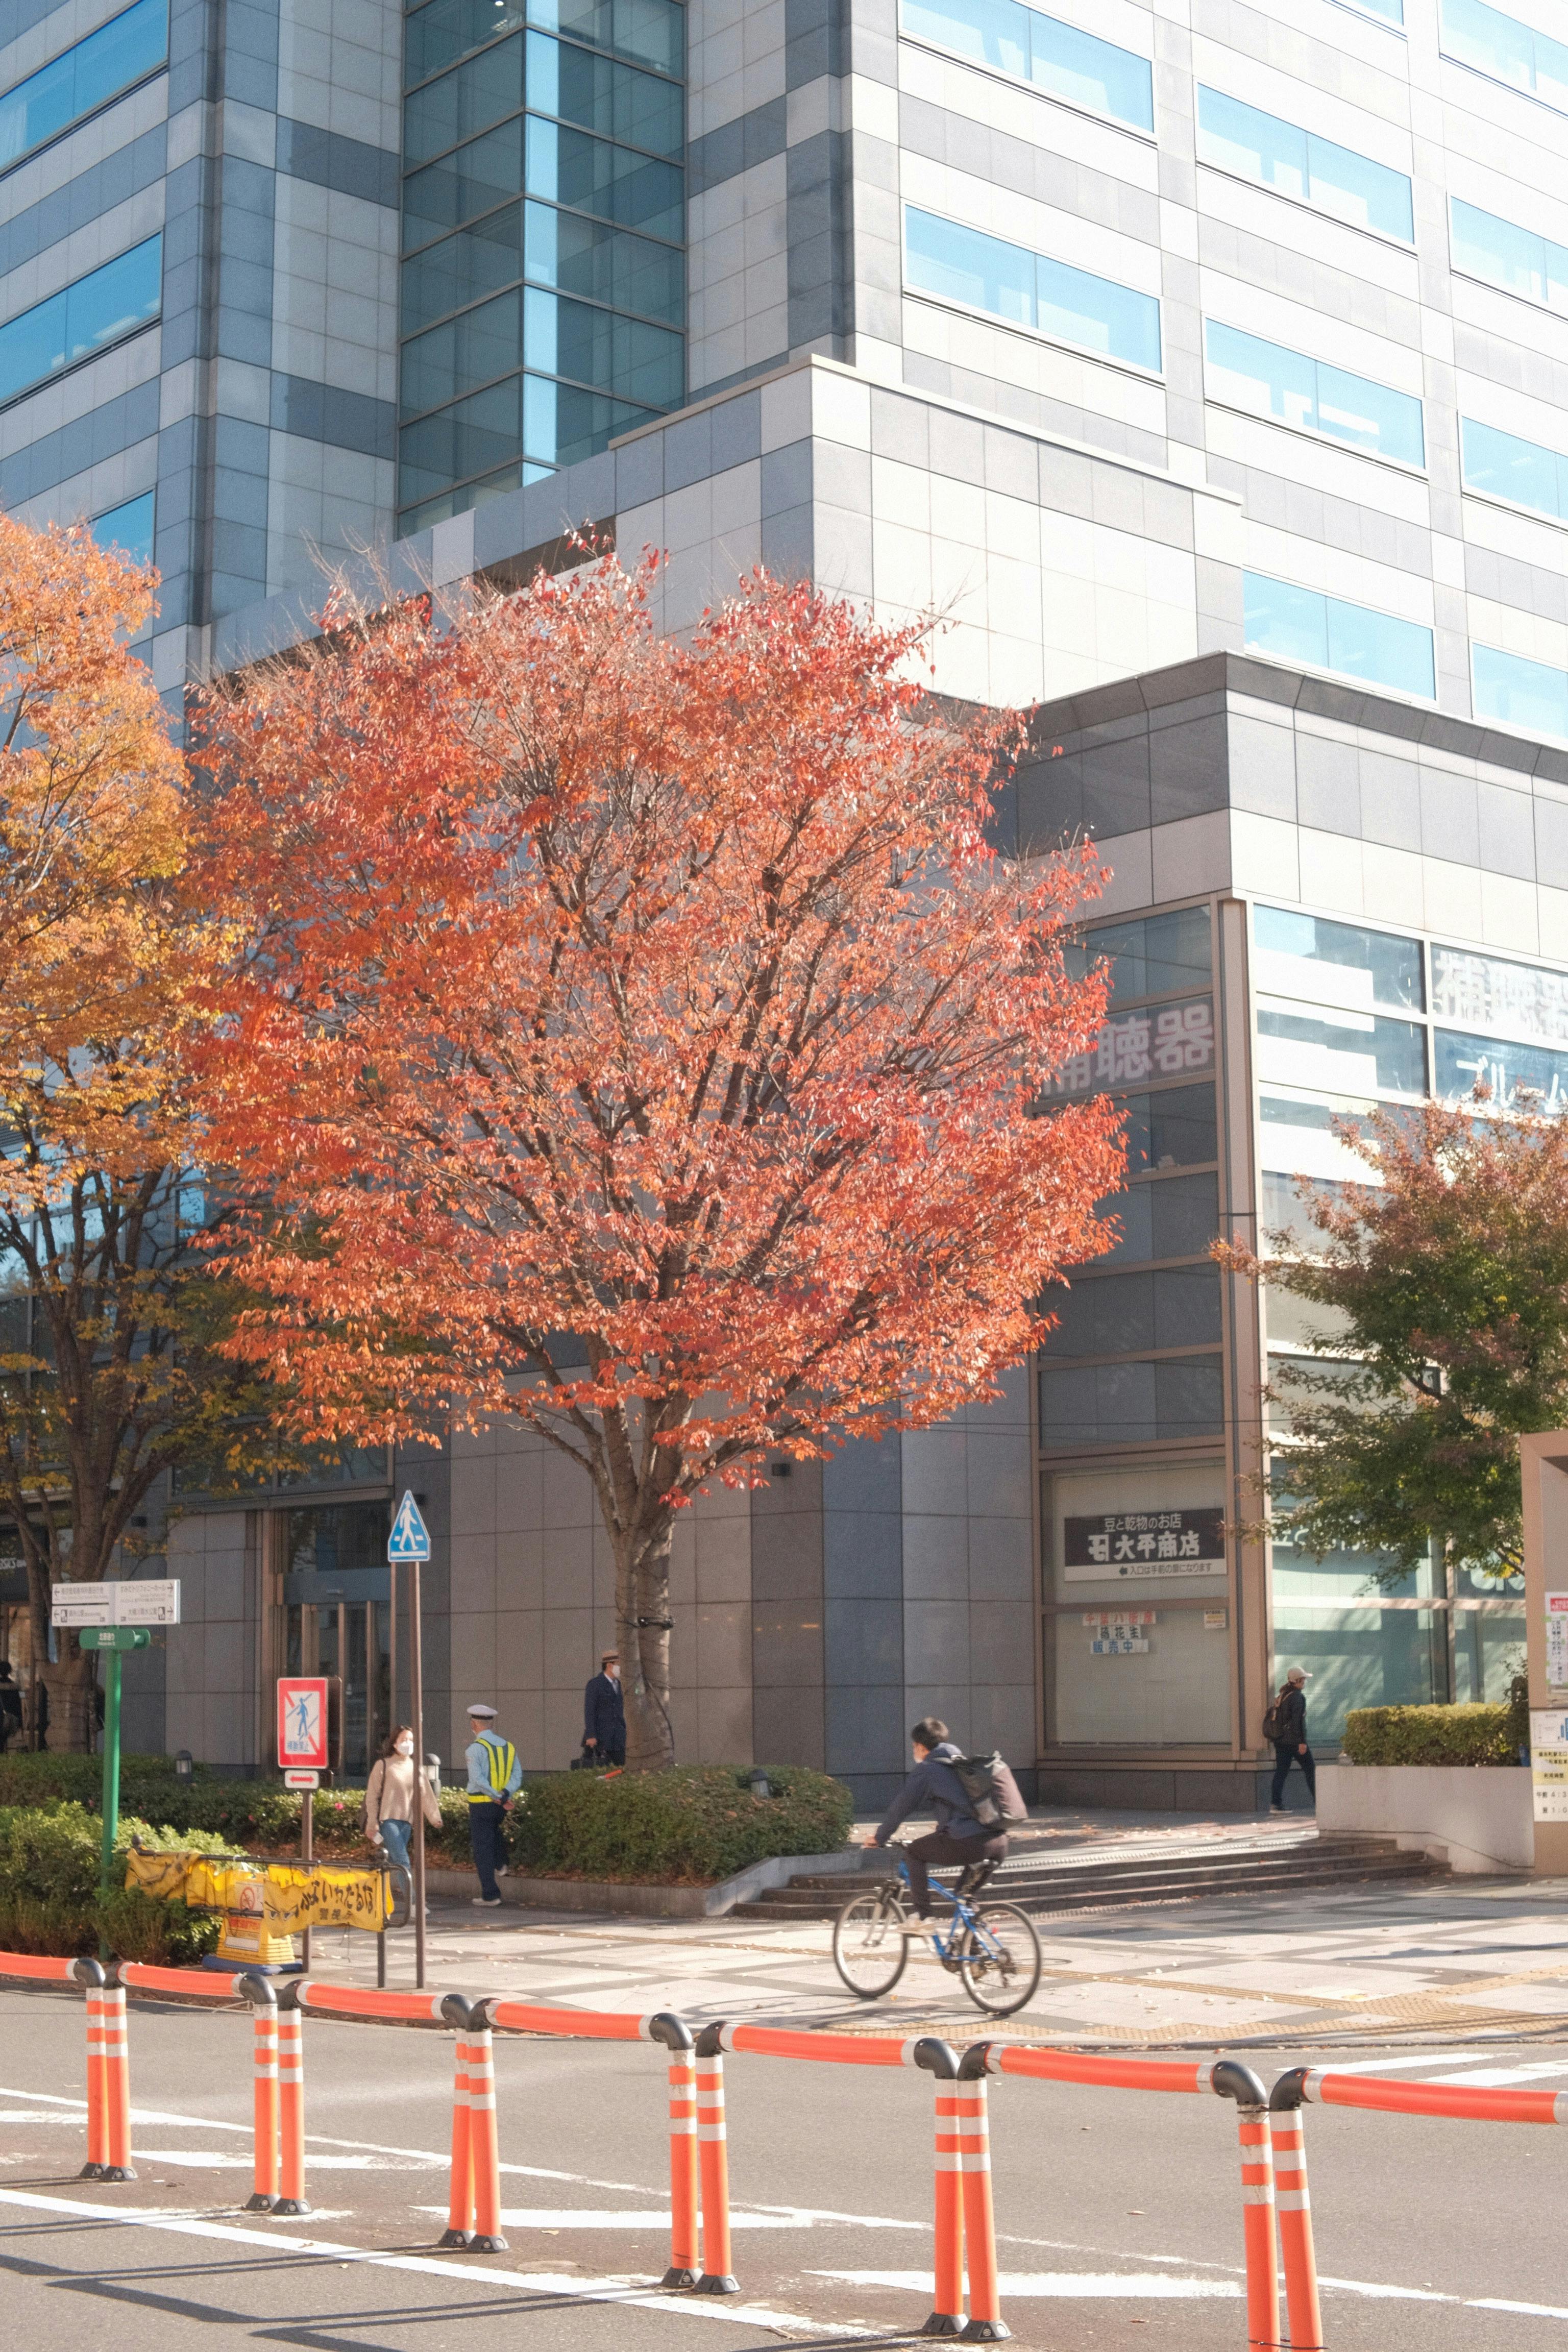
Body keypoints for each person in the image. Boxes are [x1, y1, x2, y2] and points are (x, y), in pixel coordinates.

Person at [869, 1718, 1025, 1926]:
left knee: (913, 1853)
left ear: (920, 1747)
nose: (914, 1751)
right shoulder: (964, 1765)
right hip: (999, 1843)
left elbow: (901, 1808)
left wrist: (879, 1837)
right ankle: (975, 1941)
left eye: (914, 1746)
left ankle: (924, 1917)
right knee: (965, 1896)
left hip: (969, 1843)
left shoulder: (928, 1770)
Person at [363, 1724, 442, 1876]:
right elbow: (372, 1795)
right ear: (395, 1744)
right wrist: (372, 1821)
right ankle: (411, 1893)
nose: (408, 1743)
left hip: (407, 1823)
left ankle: (385, 1889)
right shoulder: (383, 1765)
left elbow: (426, 1794)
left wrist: (435, 1818)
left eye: (411, 1740)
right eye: (404, 1740)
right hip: (387, 1822)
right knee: (403, 1861)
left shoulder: (416, 1767)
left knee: (395, 1862)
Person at [464, 1703, 522, 1906]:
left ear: (473, 1724)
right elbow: (517, 1776)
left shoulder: (475, 1749)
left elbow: (478, 1780)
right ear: (491, 1724)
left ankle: (491, 1895)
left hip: (481, 1804)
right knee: (494, 1831)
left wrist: (495, 1795)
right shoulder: (509, 1747)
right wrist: (504, 1795)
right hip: (500, 1806)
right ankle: (502, 1862)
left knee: (482, 1850)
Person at [1269, 1667, 1315, 1814]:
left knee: (1281, 1772)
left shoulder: (1283, 1694)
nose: (1305, 1682)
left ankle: (1276, 1804)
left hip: (1281, 1741)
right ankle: (1319, 1802)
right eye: (1304, 1679)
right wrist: (1302, 1742)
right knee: (1310, 1769)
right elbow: (1298, 1722)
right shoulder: (1297, 1697)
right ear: (1298, 1681)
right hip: (1295, 1742)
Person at [582, 1651, 626, 1767]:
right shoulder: (595, 1684)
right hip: (600, 1737)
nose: (621, 1669)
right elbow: (589, 1711)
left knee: (620, 1768)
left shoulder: (621, 1685)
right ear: (609, 1666)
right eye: (619, 1665)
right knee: (599, 1768)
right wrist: (591, 1735)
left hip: (618, 1738)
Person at [0, 1663, 21, 1753]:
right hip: (10, 1718)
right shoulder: (14, 1686)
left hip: (1, 1715)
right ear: (10, 1671)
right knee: (4, 1738)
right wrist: (20, 1722)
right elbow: (18, 1706)